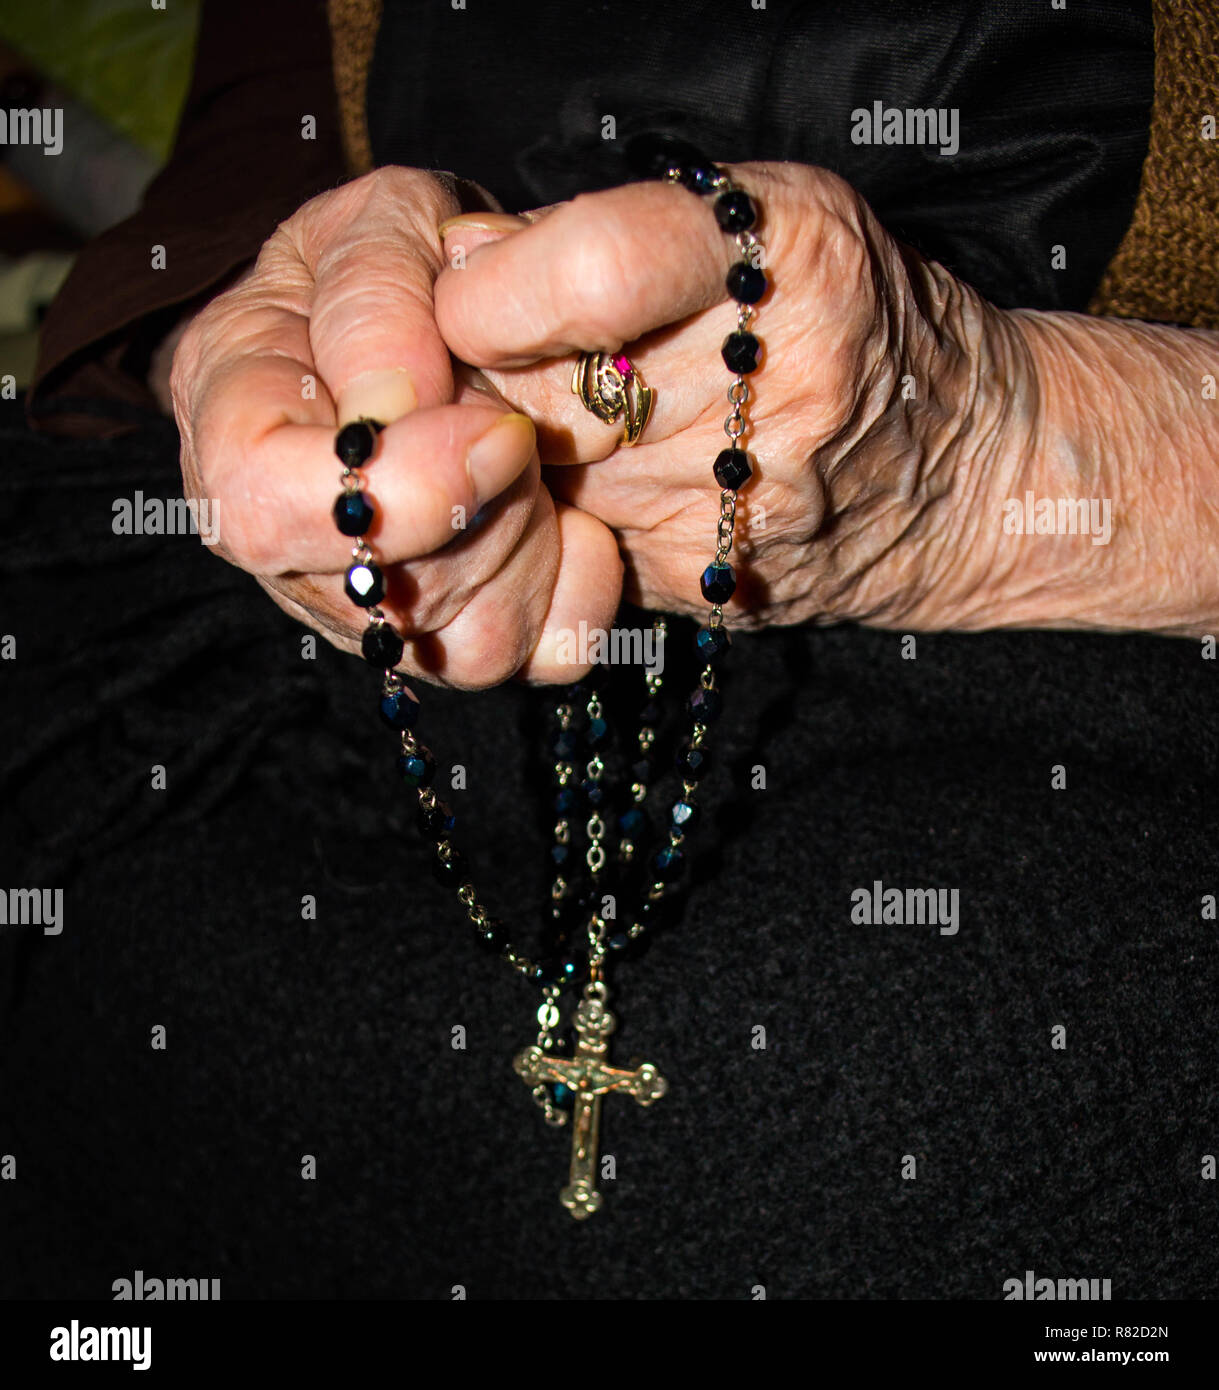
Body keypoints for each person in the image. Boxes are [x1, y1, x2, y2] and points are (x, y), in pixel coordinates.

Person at [6, 0, 1219, 1299]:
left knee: (914, 1123)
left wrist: (1000, 449)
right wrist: (248, 332)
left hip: (1102, 631)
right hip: (371, 649)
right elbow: (270, 98)